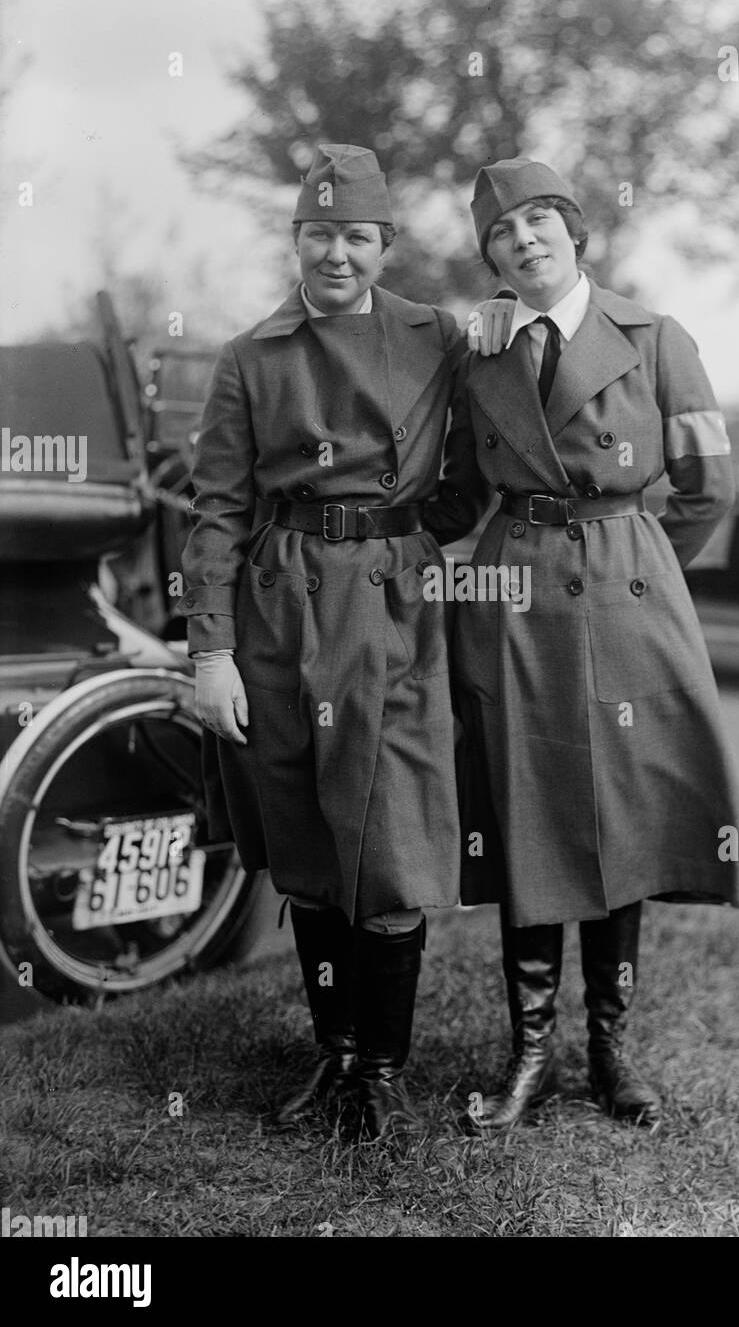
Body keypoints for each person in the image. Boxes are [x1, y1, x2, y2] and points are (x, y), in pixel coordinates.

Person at [177, 144, 485, 1139]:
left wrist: (415, 540)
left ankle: (381, 1072)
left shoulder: (436, 335)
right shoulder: (249, 356)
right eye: (320, 234)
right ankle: (337, 1054)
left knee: (389, 835)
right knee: (308, 840)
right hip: (284, 609)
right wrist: (211, 652)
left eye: (357, 236)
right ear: (296, 239)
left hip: (395, 609)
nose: (337, 254)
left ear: (385, 244)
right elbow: (216, 513)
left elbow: (479, 458)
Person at [446, 158, 739, 1131]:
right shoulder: (480, 349)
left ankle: (611, 1046)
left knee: (622, 816)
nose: (522, 239)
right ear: (489, 255)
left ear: (575, 235)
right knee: (524, 808)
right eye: (501, 232)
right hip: (516, 593)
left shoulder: (655, 337)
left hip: (624, 586)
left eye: (539, 221)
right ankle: (529, 1052)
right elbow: (453, 486)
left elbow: (705, 484)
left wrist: (643, 567)